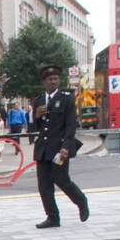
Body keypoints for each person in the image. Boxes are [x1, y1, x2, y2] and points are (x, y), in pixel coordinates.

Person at [30, 64, 88, 229]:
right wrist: (37, 116)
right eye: (49, 79)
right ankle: (52, 217)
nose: (53, 82)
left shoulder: (66, 99)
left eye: (55, 79)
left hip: (60, 148)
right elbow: (34, 129)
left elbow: (71, 125)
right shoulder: (39, 101)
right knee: (44, 185)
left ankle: (81, 201)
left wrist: (67, 147)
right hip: (43, 148)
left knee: (62, 180)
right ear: (44, 82)